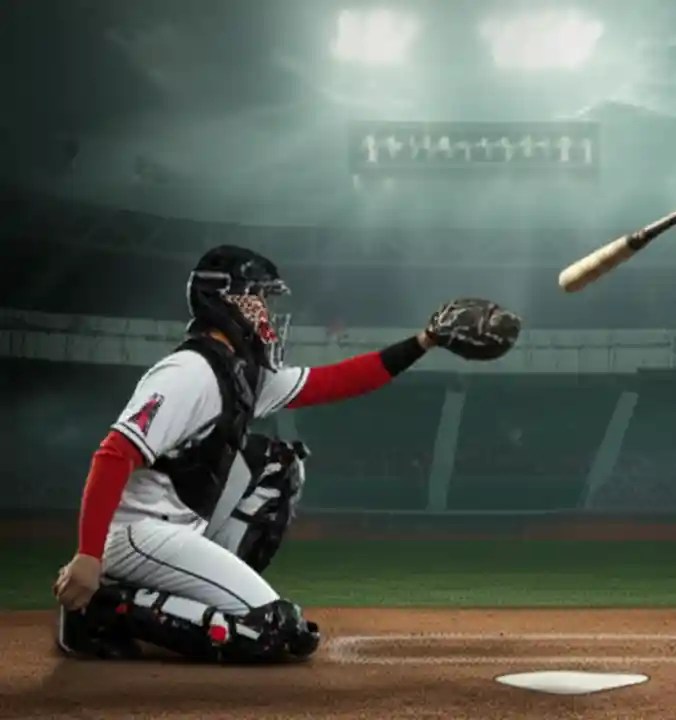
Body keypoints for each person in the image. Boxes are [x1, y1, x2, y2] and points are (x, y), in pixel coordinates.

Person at [52, 244, 520, 662]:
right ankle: (101, 609)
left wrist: (425, 341)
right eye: (259, 298)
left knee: (278, 464)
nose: (266, 312)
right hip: (137, 533)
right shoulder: (189, 371)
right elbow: (114, 454)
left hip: (178, 525)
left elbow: (339, 381)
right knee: (271, 631)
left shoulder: (245, 372)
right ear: (227, 301)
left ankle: (187, 598)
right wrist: (89, 554)